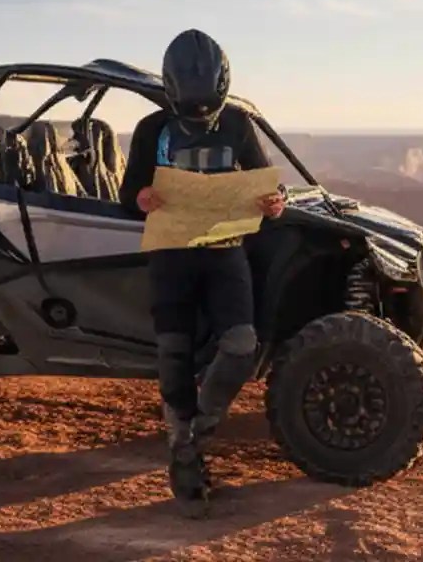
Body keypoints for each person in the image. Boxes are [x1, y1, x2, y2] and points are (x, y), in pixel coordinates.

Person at [117, 29, 285, 505]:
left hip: (224, 249)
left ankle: (193, 439)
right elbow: (129, 193)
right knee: (174, 352)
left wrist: (275, 202)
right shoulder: (152, 130)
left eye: (208, 106)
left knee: (240, 345)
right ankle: (184, 458)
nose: (202, 116)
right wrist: (141, 198)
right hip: (171, 253)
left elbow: (267, 183)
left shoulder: (237, 125)